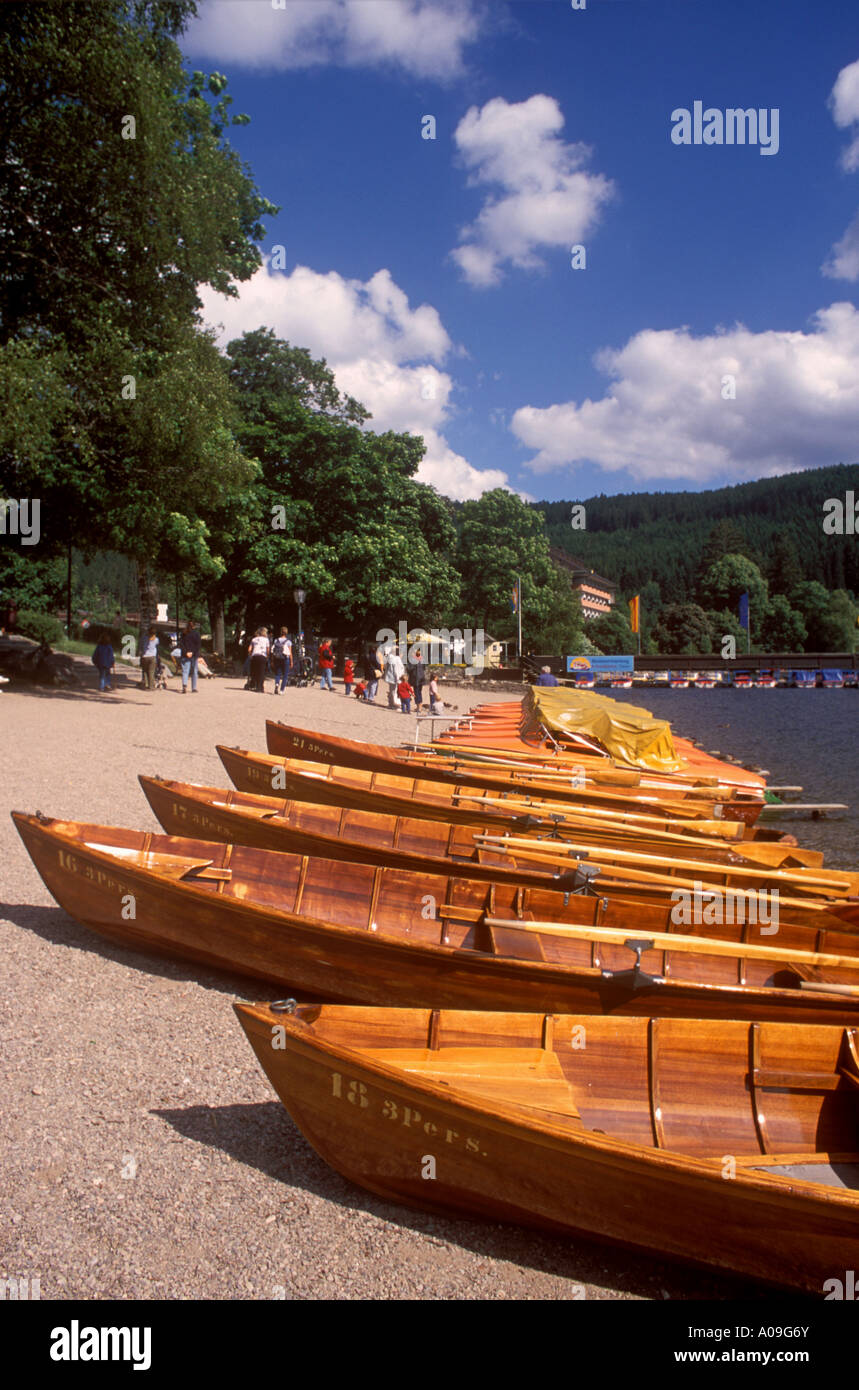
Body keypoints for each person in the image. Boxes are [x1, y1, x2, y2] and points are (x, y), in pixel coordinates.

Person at [181, 619, 201, 694]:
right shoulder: (196, 634)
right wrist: (192, 652)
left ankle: (184, 685)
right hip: (194, 655)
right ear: (194, 626)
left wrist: (186, 652)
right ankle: (194, 687)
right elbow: (198, 645)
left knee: (185, 671)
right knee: (194, 671)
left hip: (185, 655)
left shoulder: (183, 633)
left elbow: (181, 644)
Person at [248, 627, 270, 692]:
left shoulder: (254, 639)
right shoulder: (266, 640)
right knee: (261, 672)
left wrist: (250, 655)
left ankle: (255, 684)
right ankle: (260, 687)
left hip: (254, 656)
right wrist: (267, 656)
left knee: (255, 671)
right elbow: (268, 650)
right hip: (262, 656)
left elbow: (249, 649)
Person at [271, 628, 292, 693]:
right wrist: (291, 661)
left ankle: (277, 684)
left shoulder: (276, 640)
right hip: (285, 659)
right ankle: (281, 690)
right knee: (285, 675)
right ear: (286, 633)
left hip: (277, 658)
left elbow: (273, 651)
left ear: (280, 632)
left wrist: (272, 660)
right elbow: (290, 653)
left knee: (278, 673)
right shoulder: (288, 642)